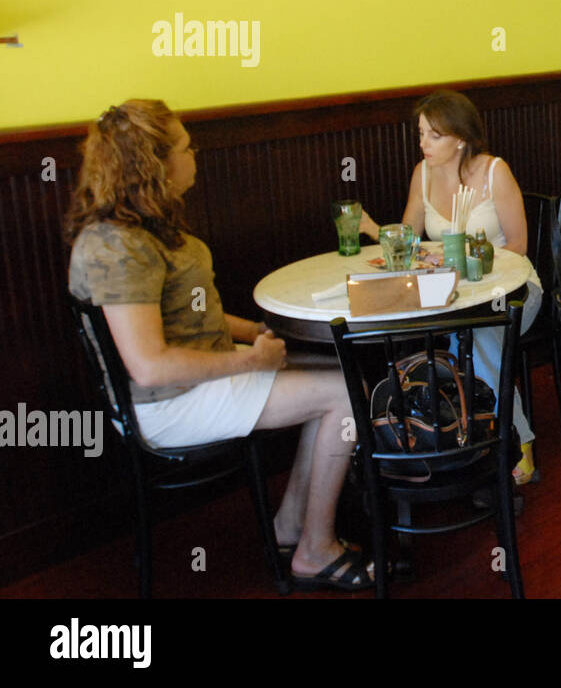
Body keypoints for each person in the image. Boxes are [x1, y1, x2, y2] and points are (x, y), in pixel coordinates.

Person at [66, 100, 376, 591]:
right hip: (169, 404)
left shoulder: (142, 227)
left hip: (199, 377)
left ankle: (292, 525)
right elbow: (148, 366)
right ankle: (317, 548)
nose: (196, 155)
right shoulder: (117, 247)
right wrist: (252, 359)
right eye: (187, 148)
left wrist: (250, 333)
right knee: (346, 393)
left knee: (334, 366)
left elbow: (188, 317)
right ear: (156, 163)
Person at [359, 90, 543, 485]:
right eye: (421, 133)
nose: (423, 143)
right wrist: (374, 229)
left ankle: (518, 443)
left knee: (479, 337)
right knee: (457, 334)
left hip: (513, 291)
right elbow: (409, 243)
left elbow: (518, 245)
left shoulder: (495, 171)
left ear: (460, 138)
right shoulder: (421, 175)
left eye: (433, 135)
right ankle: (460, 437)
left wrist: (470, 267)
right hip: (456, 296)